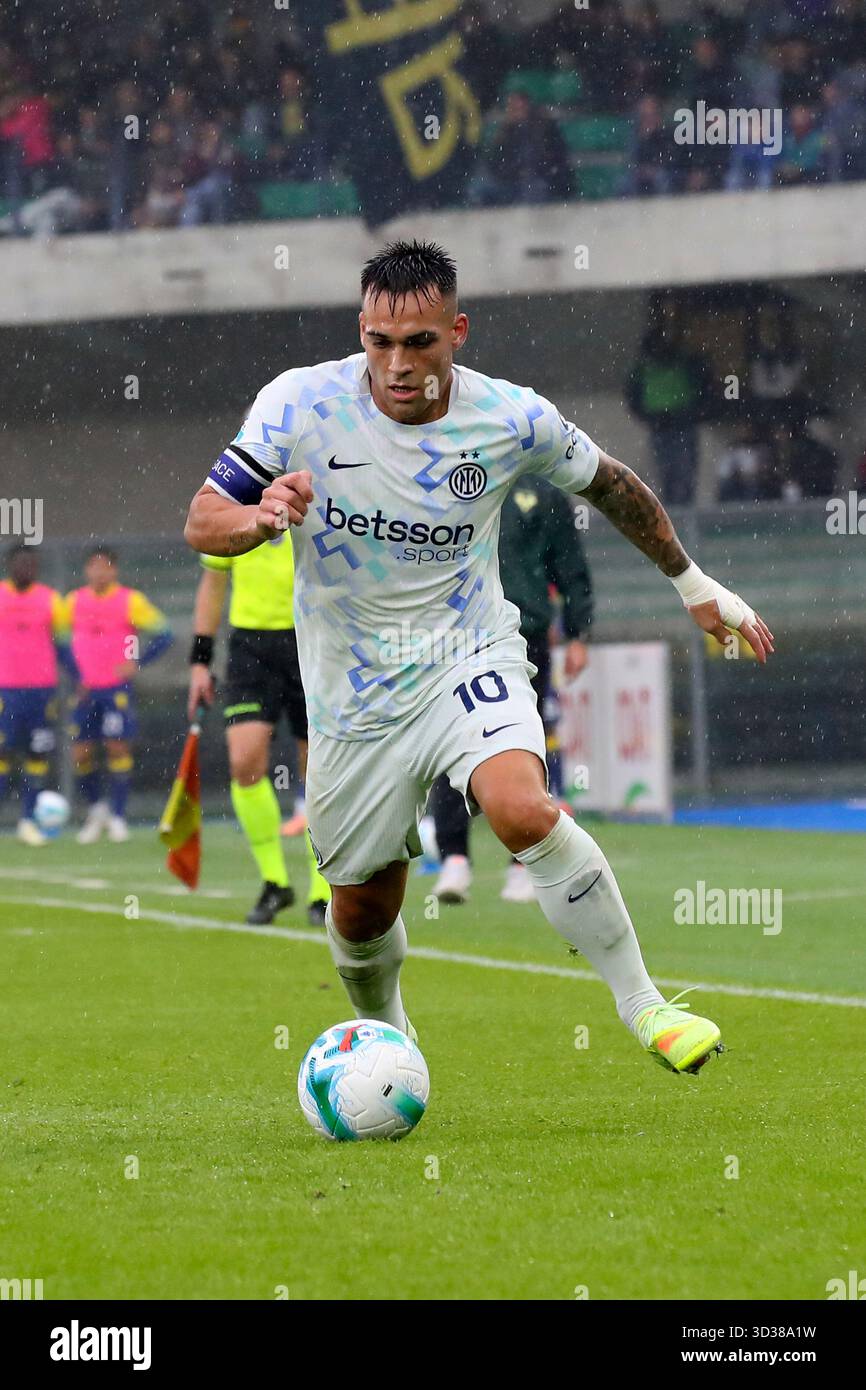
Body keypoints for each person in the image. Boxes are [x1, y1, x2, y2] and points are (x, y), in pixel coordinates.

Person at [185, 239, 774, 1079]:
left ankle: (647, 1006)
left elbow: (611, 482)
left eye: (419, 341)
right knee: (360, 906)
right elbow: (204, 518)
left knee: (520, 807)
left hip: (467, 652)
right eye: (379, 341)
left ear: (457, 332)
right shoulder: (298, 405)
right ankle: (389, 1032)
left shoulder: (510, 417)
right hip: (353, 693)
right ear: (361, 330)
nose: (396, 363)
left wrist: (694, 584)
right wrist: (260, 517)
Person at [431, 478, 593, 905]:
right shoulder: (452, 475)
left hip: (526, 635)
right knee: (451, 740)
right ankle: (454, 858)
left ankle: (523, 863)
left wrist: (577, 633)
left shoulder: (542, 492)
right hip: (456, 634)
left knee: (524, 744)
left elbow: (570, 564)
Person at [187, 533, 330, 926]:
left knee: (318, 768)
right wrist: (200, 661)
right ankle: (274, 881)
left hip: (312, 640)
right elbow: (213, 582)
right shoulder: (234, 499)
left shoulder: (315, 492)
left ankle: (324, 888)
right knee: (244, 763)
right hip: (251, 649)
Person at [68, 545, 173, 844]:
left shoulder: (131, 600)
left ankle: (117, 816)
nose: (99, 572)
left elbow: (164, 633)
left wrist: (136, 662)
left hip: (116, 690)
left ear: (114, 570)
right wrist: (76, 675)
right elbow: (60, 640)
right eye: (94, 566)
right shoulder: (73, 602)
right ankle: (96, 810)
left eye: (105, 567)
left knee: (117, 748)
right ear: (87, 570)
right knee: (81, 753)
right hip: (86, 691)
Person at [0, 545, 77, 845]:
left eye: (31, 565)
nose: (25, 570)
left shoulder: (51, 600)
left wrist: (78, 676)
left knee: (37, 754)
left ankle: (28, 820)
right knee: (3, 753)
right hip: (5, 690)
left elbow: (63, 645)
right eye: (20, 564)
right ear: (9, 566)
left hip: (42, 692)